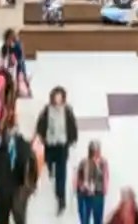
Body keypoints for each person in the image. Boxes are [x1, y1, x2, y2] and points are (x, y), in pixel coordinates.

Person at [0, 111, 38, 224]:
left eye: (13, 126)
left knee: (20, 217)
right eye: (8, 127)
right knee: (2, 217)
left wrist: (32, 184)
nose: (11, 130)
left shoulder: (23, 144)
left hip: (19, 185)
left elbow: (33, 164)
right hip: (2, 185)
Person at [36, 86, 80, 214]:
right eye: (56, 97)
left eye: (60, 97)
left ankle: (61, 199)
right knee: (49, 163)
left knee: (62, 173)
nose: (58, 100)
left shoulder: (67, 110)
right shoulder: (47, 110)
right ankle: (51, 171)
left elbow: (72, 124)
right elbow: (40, 123)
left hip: (62, 145)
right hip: (50, 144)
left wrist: (72, 139)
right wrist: (41, 137)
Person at [74, 141, 109, 224]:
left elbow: (105, 177)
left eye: (98, 151)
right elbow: (78, 176)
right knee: (84, 218)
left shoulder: (103, 163)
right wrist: (80, 187)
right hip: (84, 194)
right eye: (95, 151)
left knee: (98, 218)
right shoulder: (84, 162)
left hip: (98, 193)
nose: (97, 154)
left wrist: (104, 189)